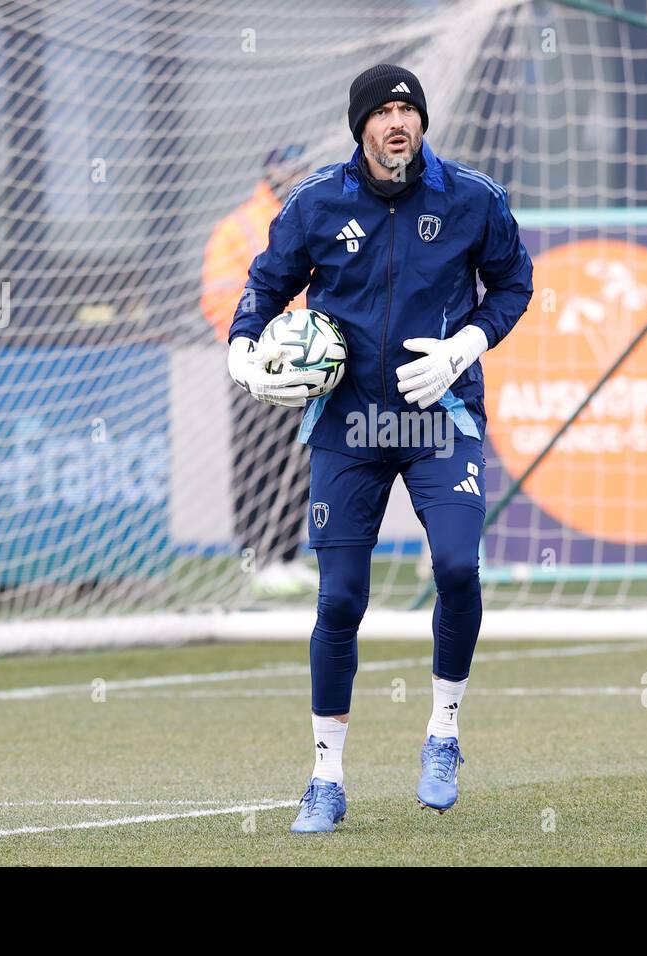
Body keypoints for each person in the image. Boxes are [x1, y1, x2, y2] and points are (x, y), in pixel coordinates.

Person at [226, 64, 533, 832]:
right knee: (339, 600)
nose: (398, 121)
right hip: (349, 426)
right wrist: (242, 347)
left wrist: (465, 345)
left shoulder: (472, 197)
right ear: (360, 126)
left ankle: (444, 731)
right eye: (384, 111)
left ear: (422, 123)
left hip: (440, 419)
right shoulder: (316, 203)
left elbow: (514, 286)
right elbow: (265, 286)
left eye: (409, 109)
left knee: (458, 568)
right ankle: (326, 777)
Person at [202, 144, 318, 597]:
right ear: (269, 174)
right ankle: (257, 555)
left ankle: (287, 553)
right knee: (259, 458)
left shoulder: (313, 221)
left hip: (307, 361)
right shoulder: (238, 229)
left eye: (300, 171)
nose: (294, 178)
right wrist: (261, 341)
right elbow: (219, 296)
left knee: (303, 458)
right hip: (256, 362)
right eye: (288, 171)